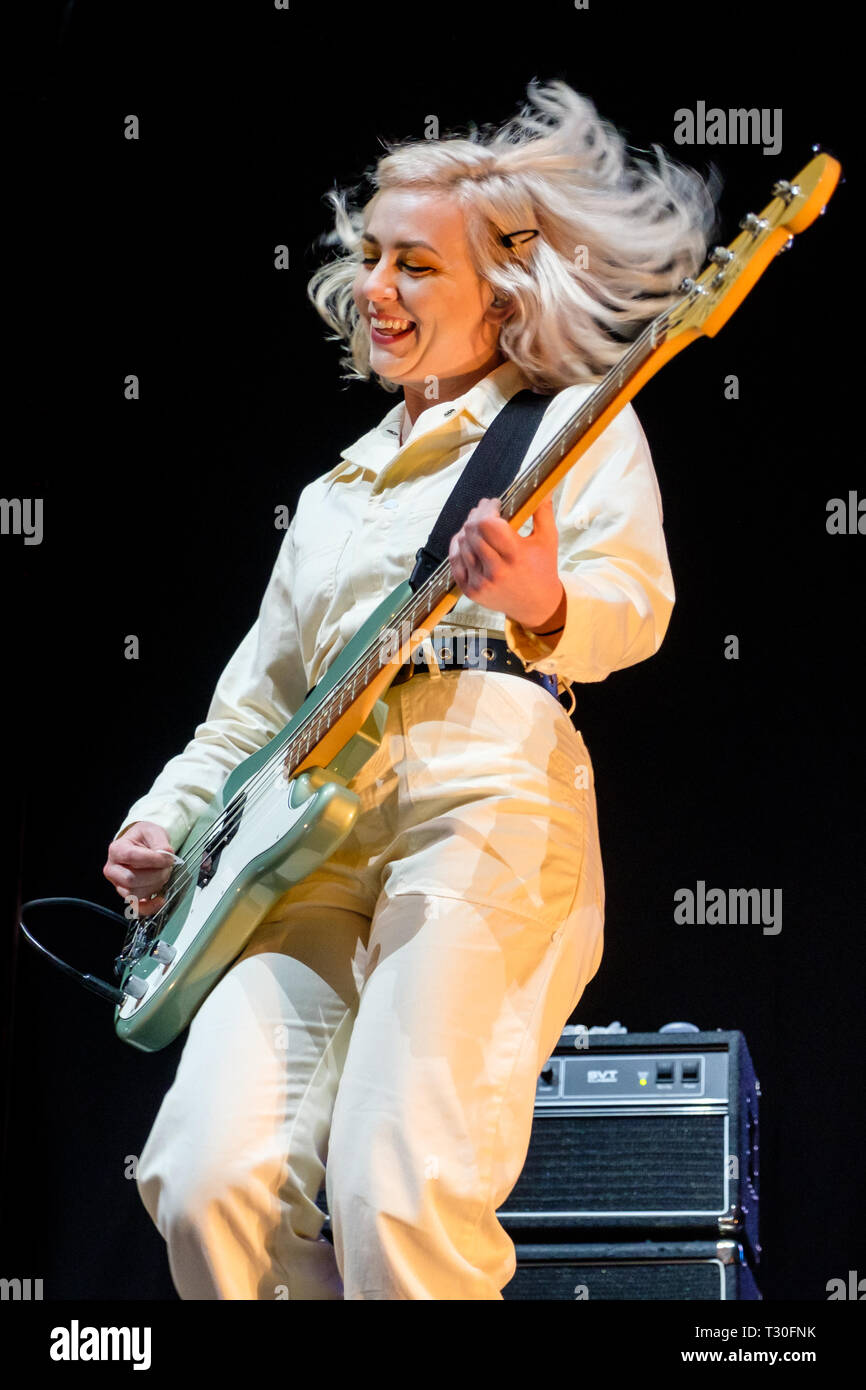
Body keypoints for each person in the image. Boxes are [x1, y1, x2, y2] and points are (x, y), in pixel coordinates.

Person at [102, 79, 717, 1299]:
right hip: (301, 852)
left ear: (503, 284)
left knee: (398, 1180)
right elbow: (253, 704)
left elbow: (634, 608)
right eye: (370, 257)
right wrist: (165, 819)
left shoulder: (570, 427)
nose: (376, 287)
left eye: (414, 265)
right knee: (206, 1173)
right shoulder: (334, 493)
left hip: (481, 805)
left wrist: (542, 598)